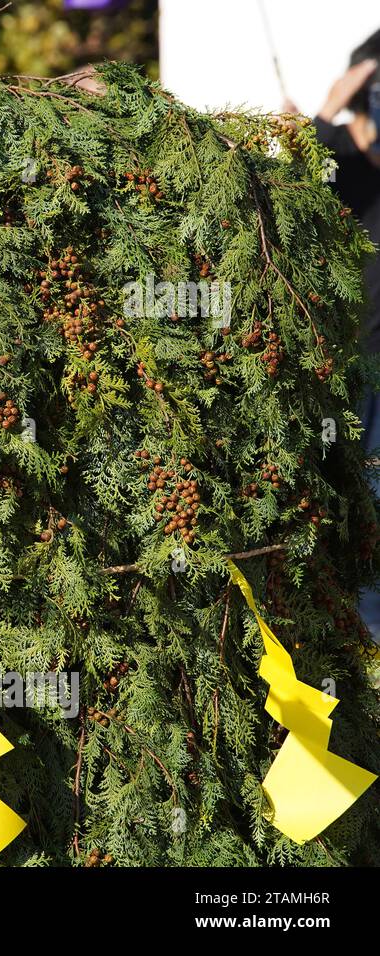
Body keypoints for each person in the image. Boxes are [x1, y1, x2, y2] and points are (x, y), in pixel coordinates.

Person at [307, 31, 380, 640]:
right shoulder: (338, 163)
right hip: (357, 377)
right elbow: (298, 181)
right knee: (364, 512)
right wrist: (330, 108)